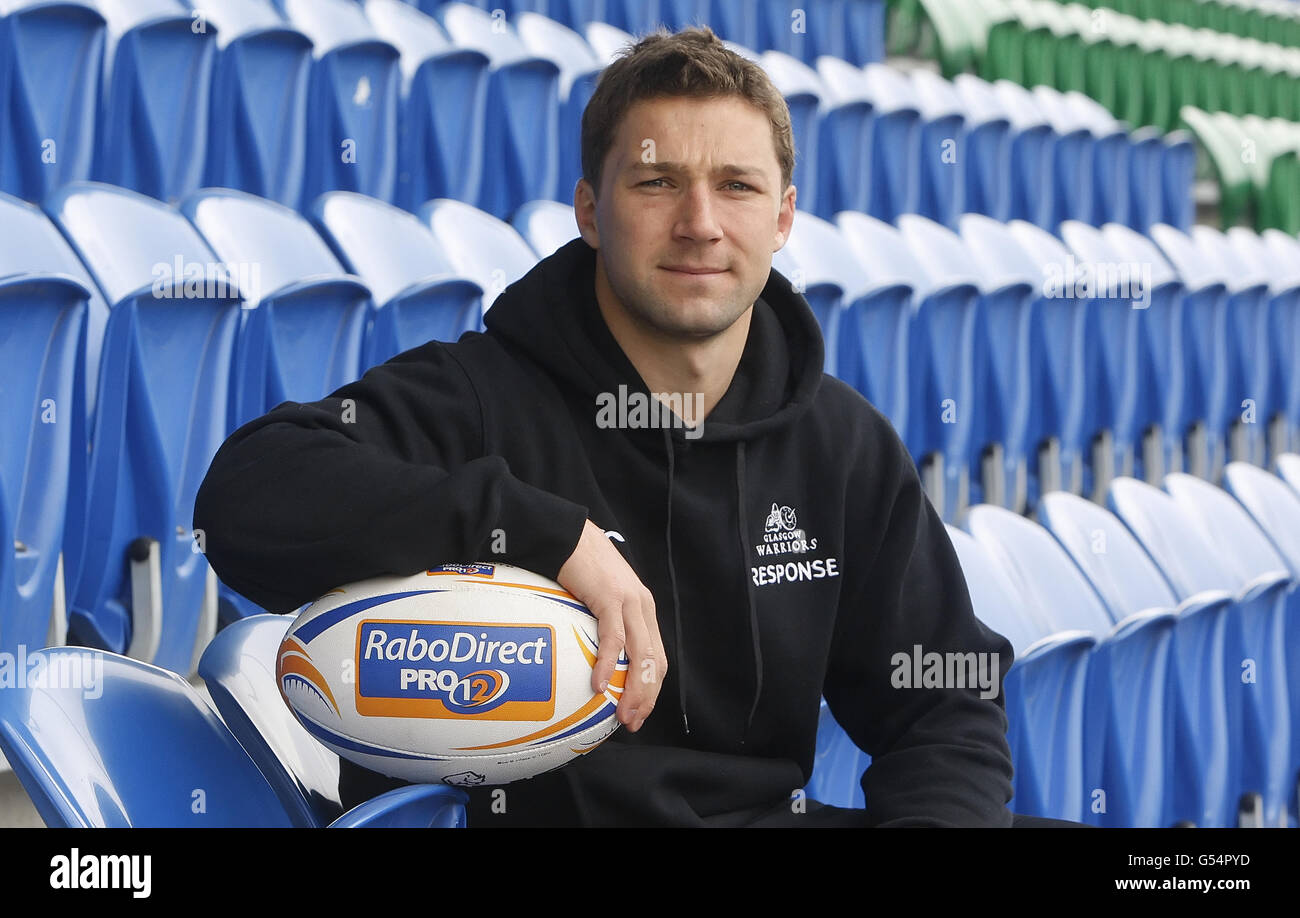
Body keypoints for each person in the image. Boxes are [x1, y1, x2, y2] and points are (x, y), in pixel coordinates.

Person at [194, 25, 1019, 827]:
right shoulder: (480, 395)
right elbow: (245, 494)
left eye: (736, 185)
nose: (700, 222)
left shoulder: (840, 443)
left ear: (783, 218)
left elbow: (945, 706)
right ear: (589, 211)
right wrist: (543, 537)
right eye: (657, 183)